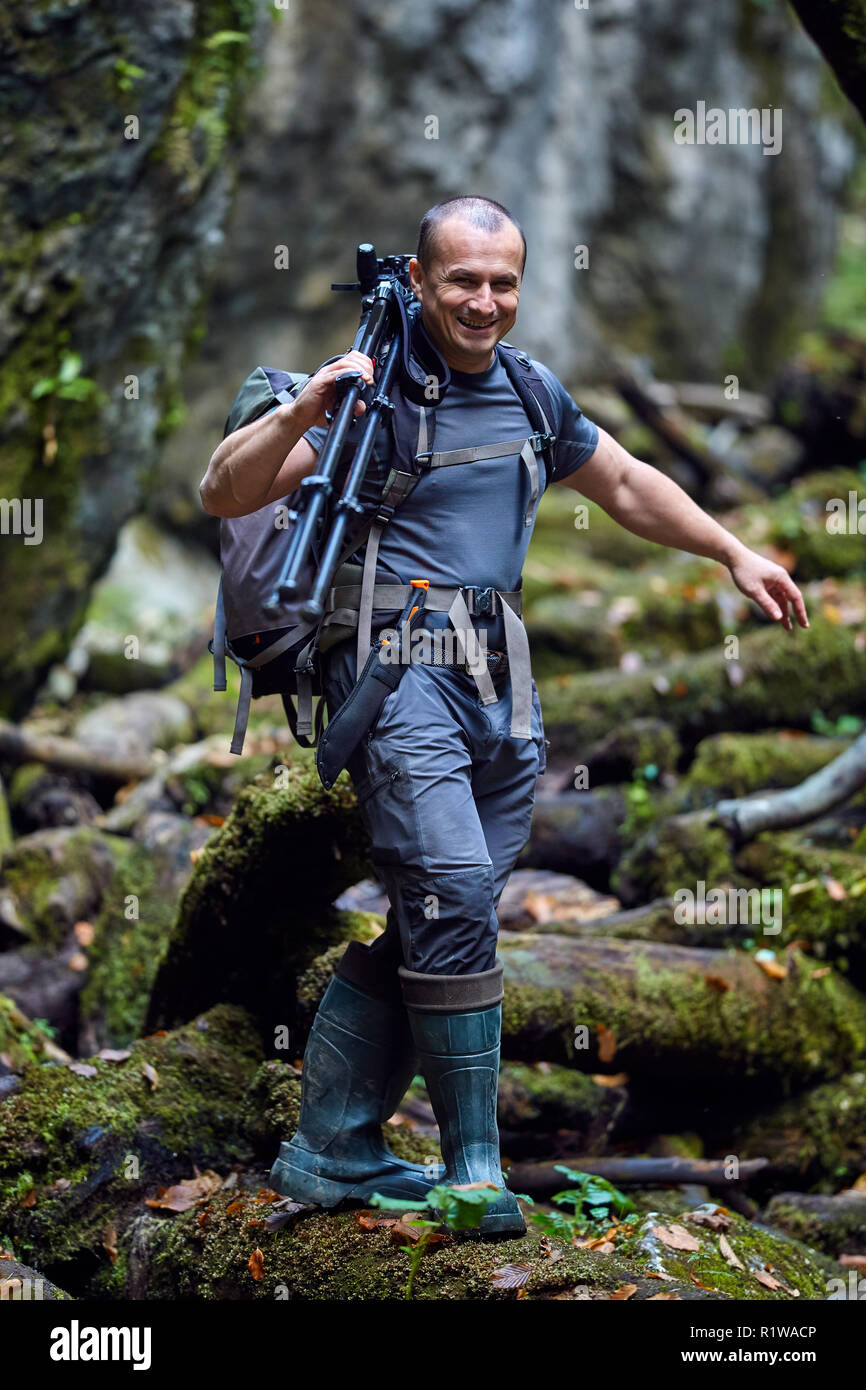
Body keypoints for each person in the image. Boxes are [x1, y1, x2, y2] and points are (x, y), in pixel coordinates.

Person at [200, 195, 809, 1238]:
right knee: (449, 894)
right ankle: (471, 1166)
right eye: (461, 281)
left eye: (501, 282)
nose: (483, 301)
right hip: (396, 675)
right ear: (424, 281)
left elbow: (619, 481)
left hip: (499, 677)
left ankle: (332, 1147)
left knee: (450, 908)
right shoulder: (372, 398)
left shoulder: (529, 392)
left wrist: (731, 550)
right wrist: (303, 411)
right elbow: (222, 490)